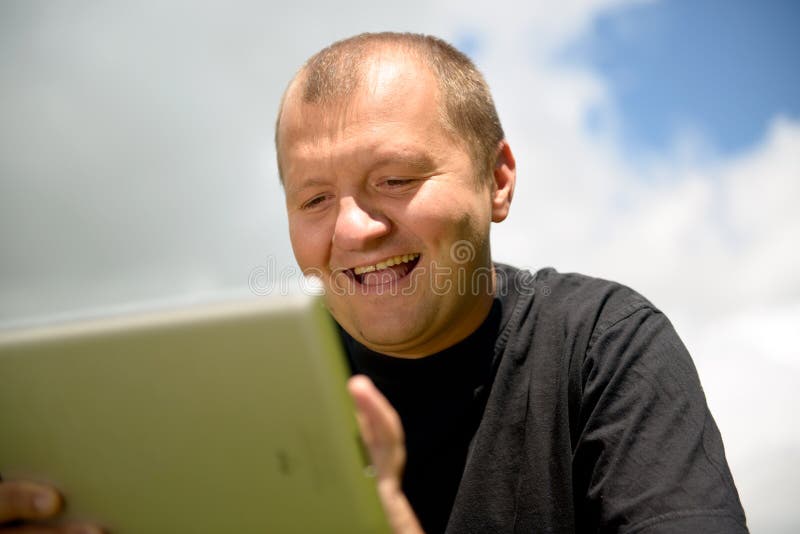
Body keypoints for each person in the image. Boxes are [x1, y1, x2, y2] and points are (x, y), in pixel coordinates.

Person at [0, 32, 748, 533]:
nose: (353, 230)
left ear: (497, 179)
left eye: (393, 179)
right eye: (314, 199)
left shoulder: (602, 345)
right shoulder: (239, 390)